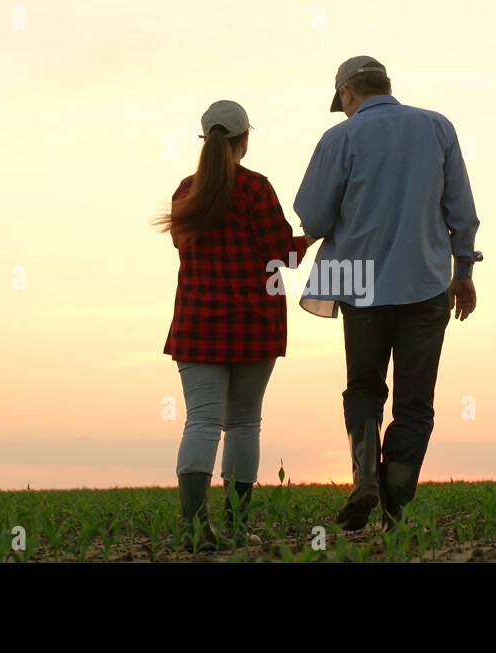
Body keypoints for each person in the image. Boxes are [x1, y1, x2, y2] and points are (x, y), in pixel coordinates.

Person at [294, 56, 481, 531]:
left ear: (348, 95)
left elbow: (312, 216)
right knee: (415, 402)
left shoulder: (341, 137)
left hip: (359, 283)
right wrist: (463, 271)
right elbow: (461, 207)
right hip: (426, 282)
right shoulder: (437, 127)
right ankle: (395, 501)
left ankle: (365, 480)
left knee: (363, 388)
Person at [156, 100, 313, 551]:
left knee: (201, 423)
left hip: (197, 323)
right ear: (246, 139)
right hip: (254, 325)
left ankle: (194, 531)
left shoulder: (185, 192)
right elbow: (283, 254)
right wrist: (316, 235)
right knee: (244, 424)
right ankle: (239, 528)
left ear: (205, 141)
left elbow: (184, 249)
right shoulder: (256, 189)